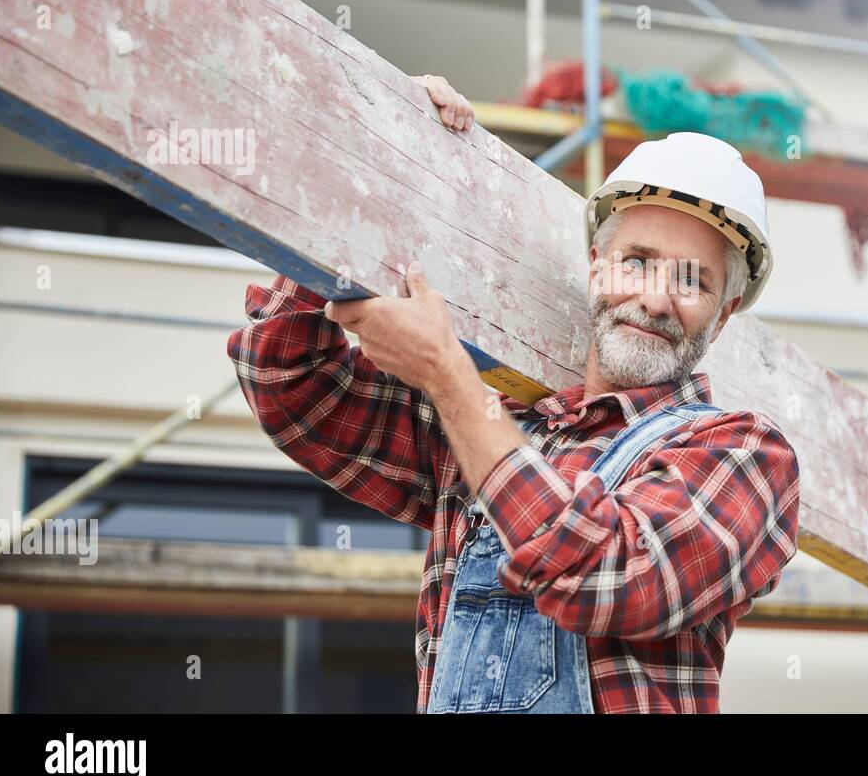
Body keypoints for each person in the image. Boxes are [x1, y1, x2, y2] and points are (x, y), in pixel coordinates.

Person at [228, 73, 800, 713]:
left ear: (721, 317)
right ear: (596, 267)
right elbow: (292, 385)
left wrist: (450, 379)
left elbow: (603, 573)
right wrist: (382, 159)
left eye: (691, 281)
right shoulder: (496, 425)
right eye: (636, 261)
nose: (654, 297)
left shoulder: (744, 454)